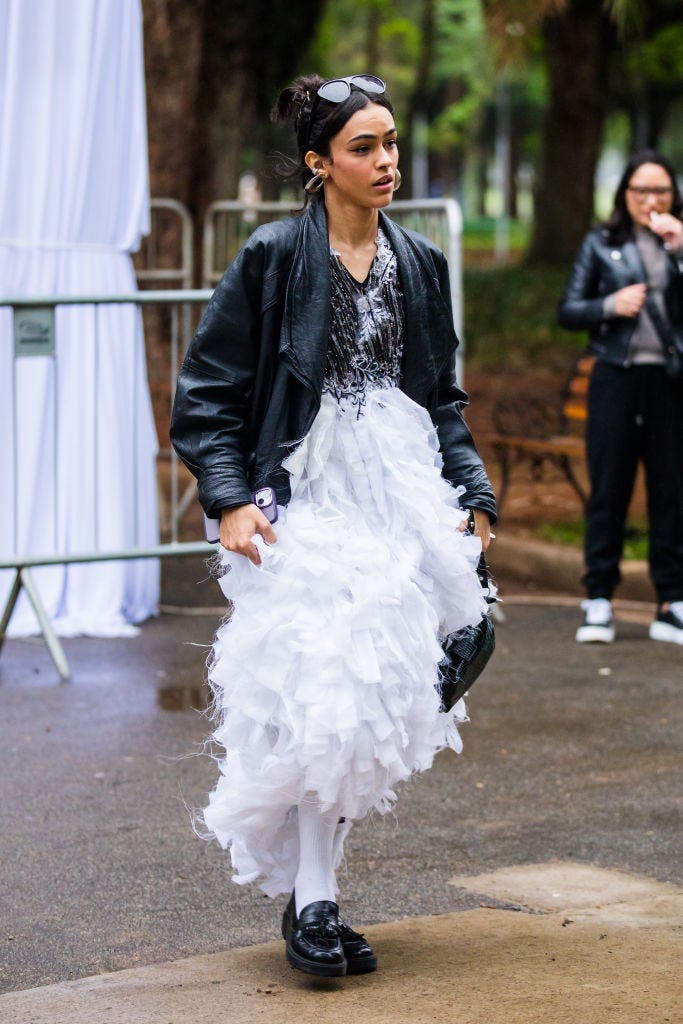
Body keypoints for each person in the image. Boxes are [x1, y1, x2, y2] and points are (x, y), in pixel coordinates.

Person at [170, 73, 496, 978]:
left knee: (408, 679)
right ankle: (314, 900)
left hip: (399, 484)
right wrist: (230, 498)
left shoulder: (420, 263)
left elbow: (441, 398)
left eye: (390, 143)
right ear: (318, 164)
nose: (385, 161)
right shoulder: (274, 256)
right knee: (332, 684)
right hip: (299, 488)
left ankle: (315, 888)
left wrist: (471, 495)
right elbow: (206, 391)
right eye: (363, 147)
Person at [558, 149, 683, 645]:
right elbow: (569, 310)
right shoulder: (600, 242)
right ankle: (599, 600)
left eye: (660, 190)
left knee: (672, 491)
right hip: (615, 378)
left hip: (671, 384)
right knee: (609, 487)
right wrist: (610, 304)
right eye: (641, 190)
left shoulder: (679, 241)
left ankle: (672, 601)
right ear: (624, 196)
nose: (650, 200)